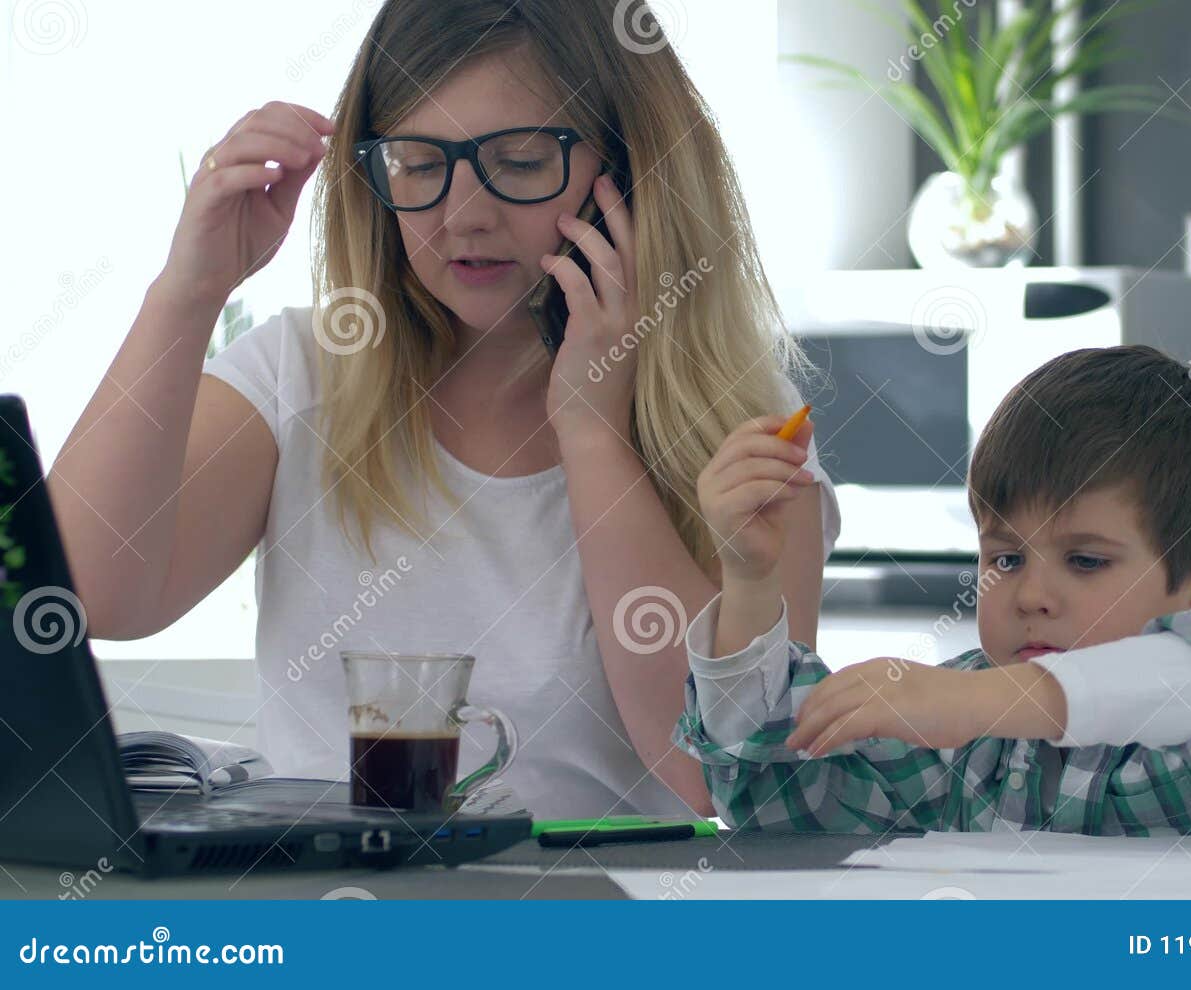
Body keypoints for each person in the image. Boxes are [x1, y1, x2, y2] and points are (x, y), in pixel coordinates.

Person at [46, 0, 839, 818]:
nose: (465, 215)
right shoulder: (301, 374)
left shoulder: (743, 428)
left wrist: (593, 433)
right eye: (420, 164)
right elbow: (87, 597)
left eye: (523, 160)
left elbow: (716, 775)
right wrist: (190, 290)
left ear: (633, 173)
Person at [677, 345, 1191, 844]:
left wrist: (973, 701)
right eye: (1006, 557)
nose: (1031, 595)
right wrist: (751, 579)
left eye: (1085, 560)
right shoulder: (971, 735)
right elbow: (779, 805)